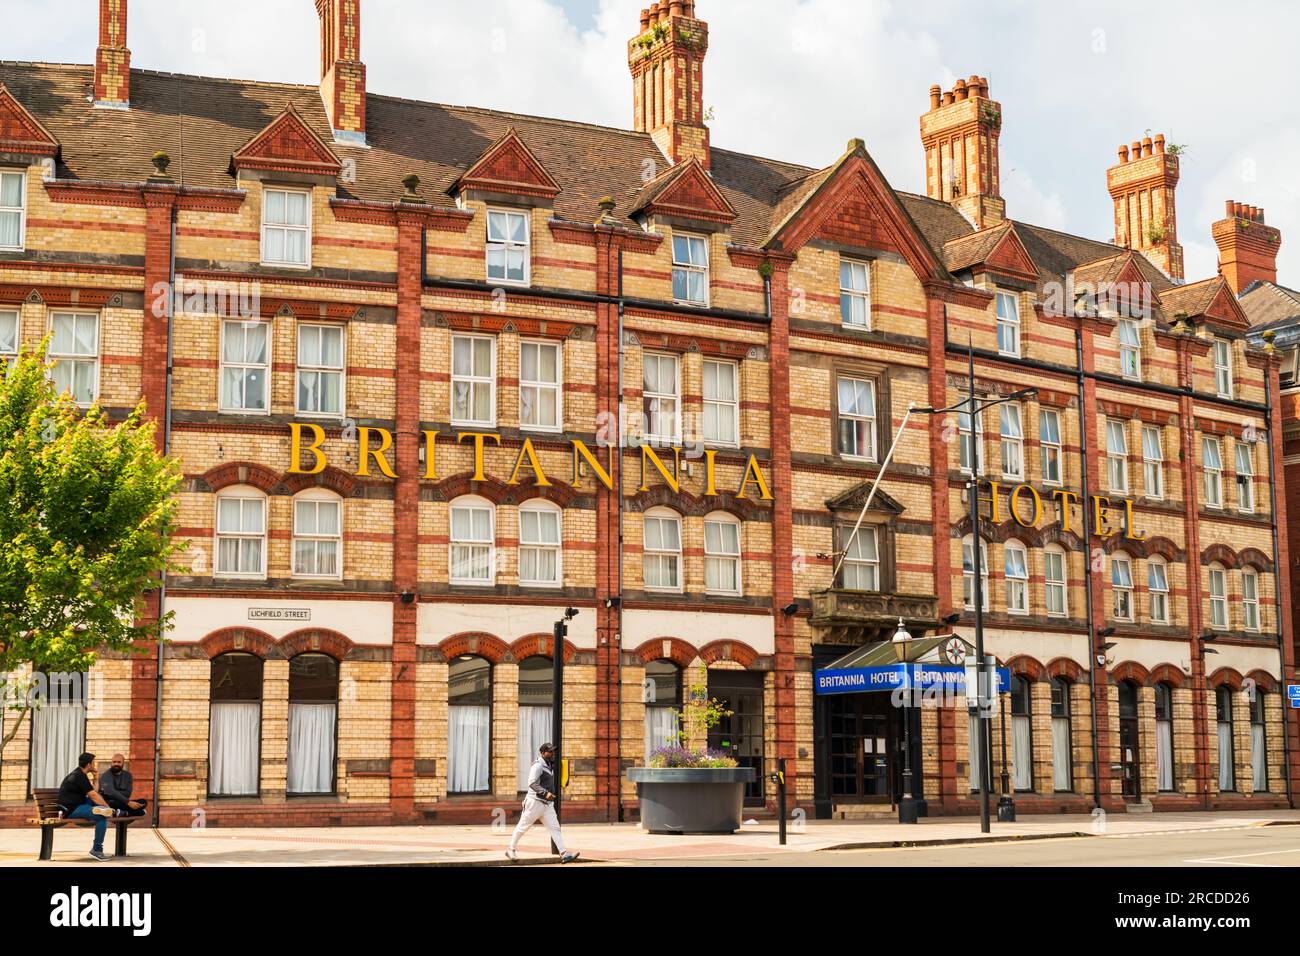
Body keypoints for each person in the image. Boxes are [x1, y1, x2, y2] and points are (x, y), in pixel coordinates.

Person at [506, 743, 579, 864]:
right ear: (542, 753)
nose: (552, 754)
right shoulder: (538, 766)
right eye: (549, 752)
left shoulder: (550, 765)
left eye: (553, 751)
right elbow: (532, 783)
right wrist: (545, 793)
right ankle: (510, 849)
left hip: (547, 805)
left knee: (555, 828)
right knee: (523, 827)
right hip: (534, 802)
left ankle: (564, 854)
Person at [56, 752, 116, 861]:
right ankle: (97, 850)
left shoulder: (80, 774)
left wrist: (96, 778)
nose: (94, 765)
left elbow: (94, 792)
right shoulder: (78, 776)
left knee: (99, 804)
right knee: (102, 816)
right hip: (71, 810)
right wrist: (107, 808)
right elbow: (93, 795)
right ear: (89, 765)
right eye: (93, 763)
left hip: (80, 804)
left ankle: (100, 810)